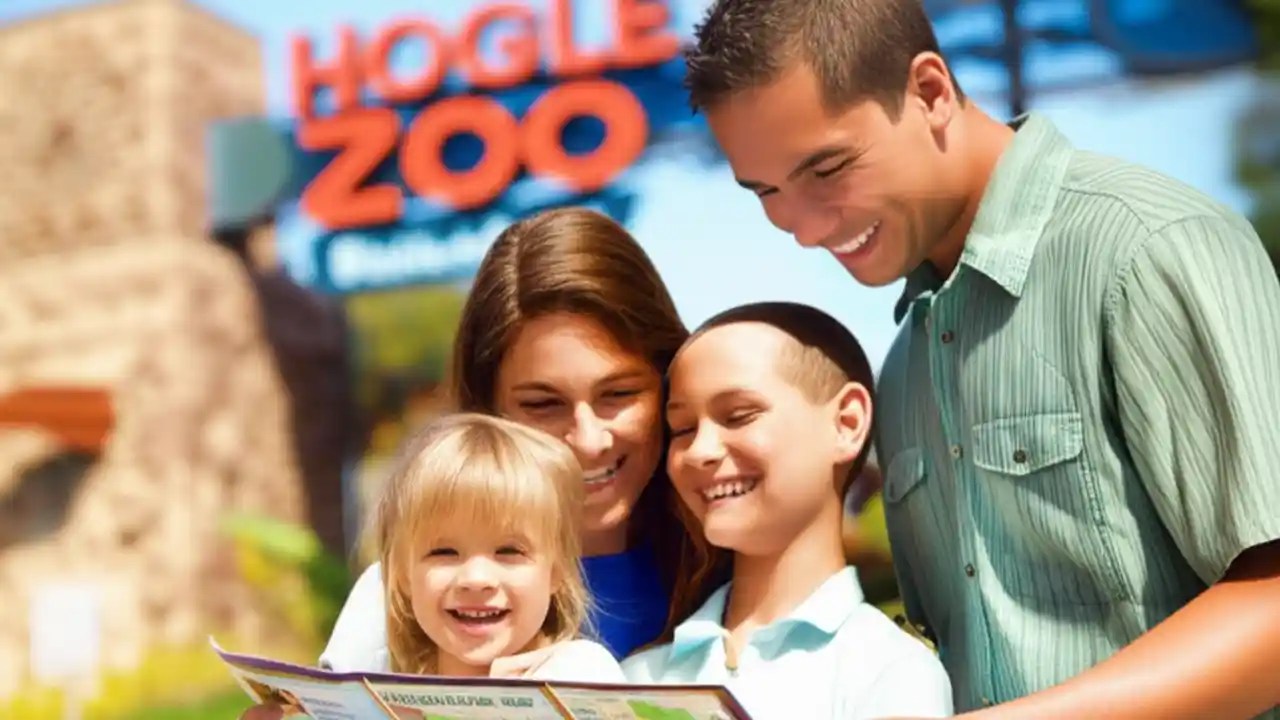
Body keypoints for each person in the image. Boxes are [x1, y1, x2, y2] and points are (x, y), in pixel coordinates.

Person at [684, 1, 1280, 718]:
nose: (803, 229)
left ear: (931, 92)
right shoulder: (903, 367)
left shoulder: (1146, 247)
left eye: (828, 169)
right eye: (766, 193)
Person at [239, 208, 731, 719]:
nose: (587, 440)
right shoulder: (391, 600)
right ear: (488, 410)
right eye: (543, 404)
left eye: (620, 393)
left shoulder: (733, 564)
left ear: (669, 386)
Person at [623, 303, 952, 720]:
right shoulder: (634, 681)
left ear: (847, 423)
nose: (699, 451)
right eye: (683, 430)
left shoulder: (891, 672)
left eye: (739, 416)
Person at [373, 412, 622, 681]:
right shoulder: (380, 686)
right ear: (402, 575)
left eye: (509, 551)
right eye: (444, 552)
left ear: (557, 571)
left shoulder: (581, 674)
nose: (476, 579)